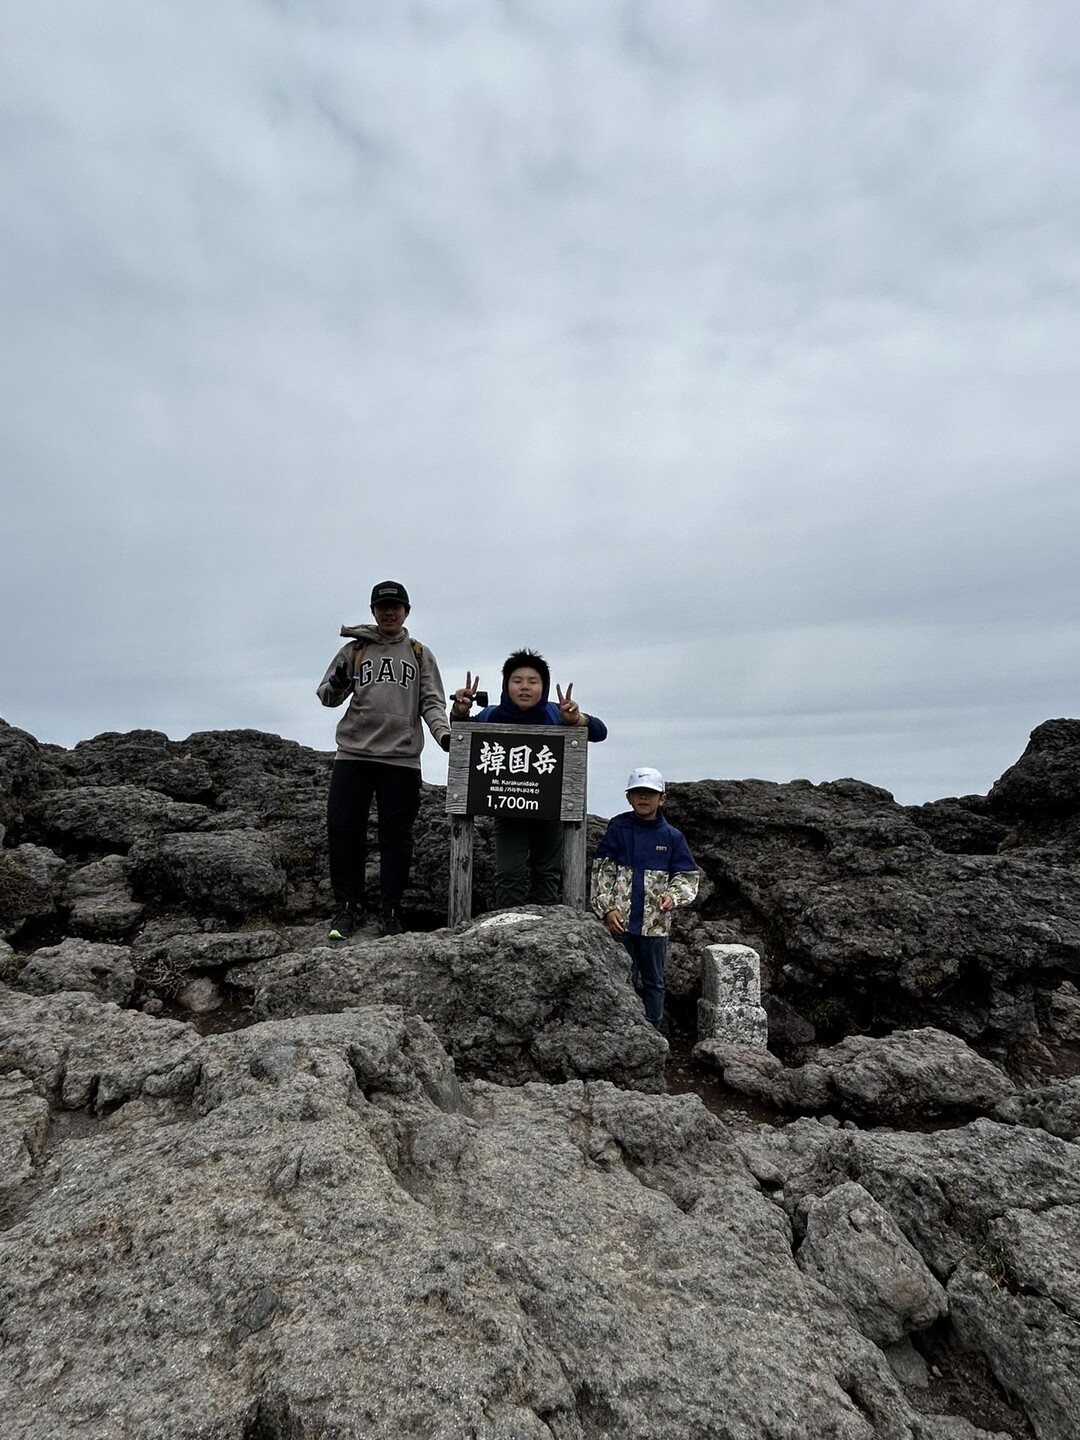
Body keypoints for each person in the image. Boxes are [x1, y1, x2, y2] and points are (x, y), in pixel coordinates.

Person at [317, 580, 451, 940]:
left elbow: (432, 702)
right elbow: (327, 696)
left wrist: (443, 736)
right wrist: (339, 682)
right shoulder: (355, 650)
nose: (389, 612)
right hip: (353, 755)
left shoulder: (420, 654)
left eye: (396, 606)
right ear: (373, 611)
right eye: (382, 607)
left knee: (397, 838)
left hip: (401, 760)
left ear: (406, 611)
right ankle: (348, 906)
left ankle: (391, 910)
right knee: (344, 830)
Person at [450, 649, 607, 907]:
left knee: (547, 874)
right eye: (517, 680)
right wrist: (459, 713)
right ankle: (508, 930)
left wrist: (577, 720)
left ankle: (544, 934)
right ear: (506, 685)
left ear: (543, 687)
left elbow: (600, 731)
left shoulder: (557, 713)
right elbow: (459, 738)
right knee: (509, 874)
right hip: (507, 808)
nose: (525, 687)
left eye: (533, 682)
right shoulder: (492, 715)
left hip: (550, 808)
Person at [591, 767, 699, 1029]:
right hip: (620, 922)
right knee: (620, 977)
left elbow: (687, 876)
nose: (643, 798)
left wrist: (673, 897)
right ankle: (621, 1029)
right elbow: (602, 870)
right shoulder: (618, 828)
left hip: (655, 923)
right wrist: (606, 909)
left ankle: (653, 1032)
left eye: (650, 793)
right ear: (628, 797)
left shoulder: (672, 837)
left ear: (662, 799)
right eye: (638, 793)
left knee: (654, 981)